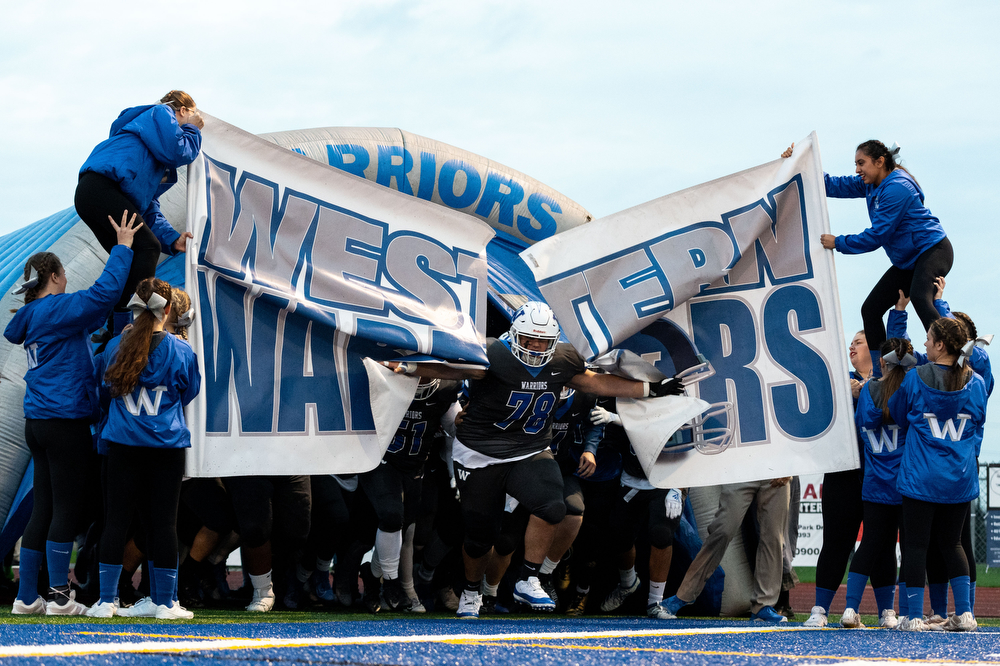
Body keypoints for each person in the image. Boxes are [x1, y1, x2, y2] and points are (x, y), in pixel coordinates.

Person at [381, 300, 684, 619]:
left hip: (529, 448)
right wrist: (409, 367)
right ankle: (471, 592)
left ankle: (528, 578)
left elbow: (595, 382)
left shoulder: (563, 358)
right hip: (481, 452)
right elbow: (451, 368)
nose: (535, 346)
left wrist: (650, 388)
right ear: (514, 335)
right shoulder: (494, 354)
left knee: (553, 506)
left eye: (542, 341)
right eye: (528, 339)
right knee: (480, 537)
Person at [4, 212, 139, 615]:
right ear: (56, 276)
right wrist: (123, 248)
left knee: (44, 508)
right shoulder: (56, 308)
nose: (66, 281)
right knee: (65, 508)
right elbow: (103, 293)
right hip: (65, 420)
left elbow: (90, 318)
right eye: (63, 275)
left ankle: (27, 597)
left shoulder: (31, 316)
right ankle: (61, 596)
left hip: (38, 422)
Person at [782, 140, 952, 374]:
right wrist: (798, 165)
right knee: (870, 309)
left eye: (861, 163)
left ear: (880, 161)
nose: (857, 170)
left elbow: (877, 235)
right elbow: (832, 185)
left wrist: (838, 242)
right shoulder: (871, 184)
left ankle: (950, 359)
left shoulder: (897, 188)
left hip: (932, 250)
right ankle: (882, 371)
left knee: (921, 298)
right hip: (908, 260)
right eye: (856, 164)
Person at [87, 277, 201, 619]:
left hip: (123, 447)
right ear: (168, 311)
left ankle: (106, 601)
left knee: (116, 521)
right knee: (164, 524)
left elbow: (101, 393)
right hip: (166, 447)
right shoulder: (181, 350)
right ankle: (165, 602)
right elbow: (189, 392)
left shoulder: (114, 347)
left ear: (134, 308)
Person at [75, 91, 202, 335]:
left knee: (132, 257)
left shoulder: (150, 153)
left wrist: (173, 239)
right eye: (191, 116)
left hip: (96, 193)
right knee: (148, 247)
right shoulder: (161, 112)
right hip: (101, 187)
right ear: (183, 110)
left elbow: (147, 208)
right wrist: (193, 128)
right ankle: (130, 325)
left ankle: (114, 331)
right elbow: (180, 151)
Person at [889, 317, 985, 632]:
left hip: (921, 477)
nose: (925, 343)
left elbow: (898, 413)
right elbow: (979, 421)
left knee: (916, 546)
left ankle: (914, 617)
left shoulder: (915, 378)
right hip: (959, 477)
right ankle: (966, 614)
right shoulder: (976, 382)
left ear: (941, 345)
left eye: (929, 339)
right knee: (953, 543)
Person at [840, 338, 915, 630]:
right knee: (910, 548)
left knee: (868, 545)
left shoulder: (867, 393)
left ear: (880, 362)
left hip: (874, 483)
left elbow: (860, 428)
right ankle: (908, 614)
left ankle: (850, 609)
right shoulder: (909, 391)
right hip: (906, 484)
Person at [591, 399, 685, 620]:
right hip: (632, 478)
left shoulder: (676, 401)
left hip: (666, 479)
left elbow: (687, 447)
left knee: (661, 534)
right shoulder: (627, 397)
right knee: (618, 535)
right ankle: (628, 583)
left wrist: (679, 487)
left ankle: (655, 602)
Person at [660, 477, 792, 623]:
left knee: (773, 538)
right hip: (742, 471)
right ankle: (683, 595)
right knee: (722, 531)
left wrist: (789, 469)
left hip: (777, 471)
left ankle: (763, 605)